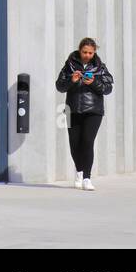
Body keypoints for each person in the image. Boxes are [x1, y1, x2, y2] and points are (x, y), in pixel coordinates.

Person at [55, 36, 113, 191]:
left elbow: (108, 88)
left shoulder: (100, 67)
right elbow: (60, 86)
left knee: (87, 142)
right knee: (74, 144)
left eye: (90, 53)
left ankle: (87, 178)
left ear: (94, 53)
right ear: (80, 50)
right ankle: (79, 171)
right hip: (72, 110)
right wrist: (71, 80)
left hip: (93, 111)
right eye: (84, 52)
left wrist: (93, 82)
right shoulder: (69, 65)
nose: (87, 55)